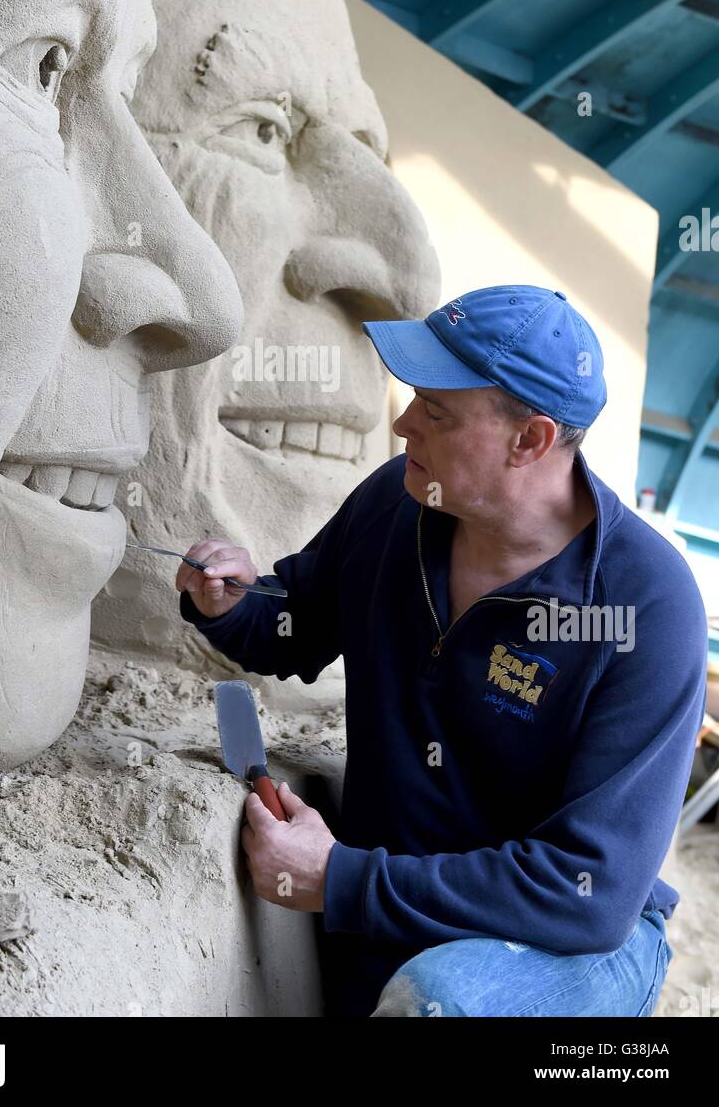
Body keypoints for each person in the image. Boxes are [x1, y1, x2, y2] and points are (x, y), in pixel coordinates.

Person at [175, 285, 707, 1017]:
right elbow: (293, 623)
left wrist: (342, 879)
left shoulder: (644, 603)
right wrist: (232, 602)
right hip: (407, 914)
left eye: (434, 411)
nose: (401, 425)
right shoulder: (398, 505)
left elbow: (587, 893)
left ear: (531, 441)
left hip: (569, 950)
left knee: (440, 1001)